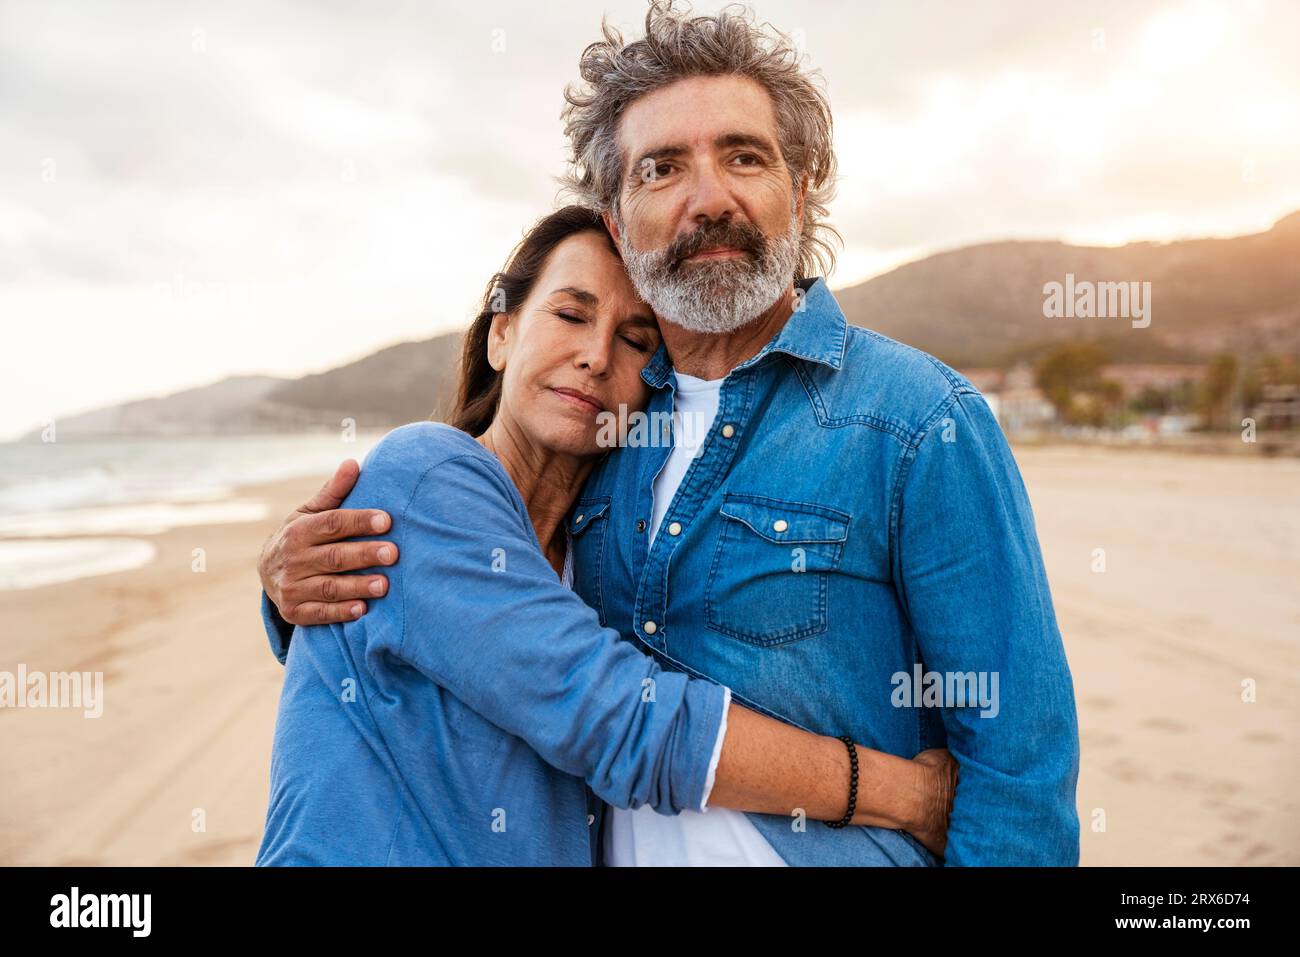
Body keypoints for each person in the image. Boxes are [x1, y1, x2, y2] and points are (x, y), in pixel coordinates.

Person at [261, 1, 1080, 866]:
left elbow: (1018, 778)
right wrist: (293, 592)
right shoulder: (605, 438)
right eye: (661, 168)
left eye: (745, 156)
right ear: (618, 222)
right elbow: (556, 671)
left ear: (800, 192)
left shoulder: (918, 421)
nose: (709, 198)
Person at [255, 205, 956, 866]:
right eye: (570, 314)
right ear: (501, 334)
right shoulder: (426, 472)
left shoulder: (600, 553)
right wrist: (903, 794)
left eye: (635, 340)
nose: (595, 356)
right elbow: (619, 718)